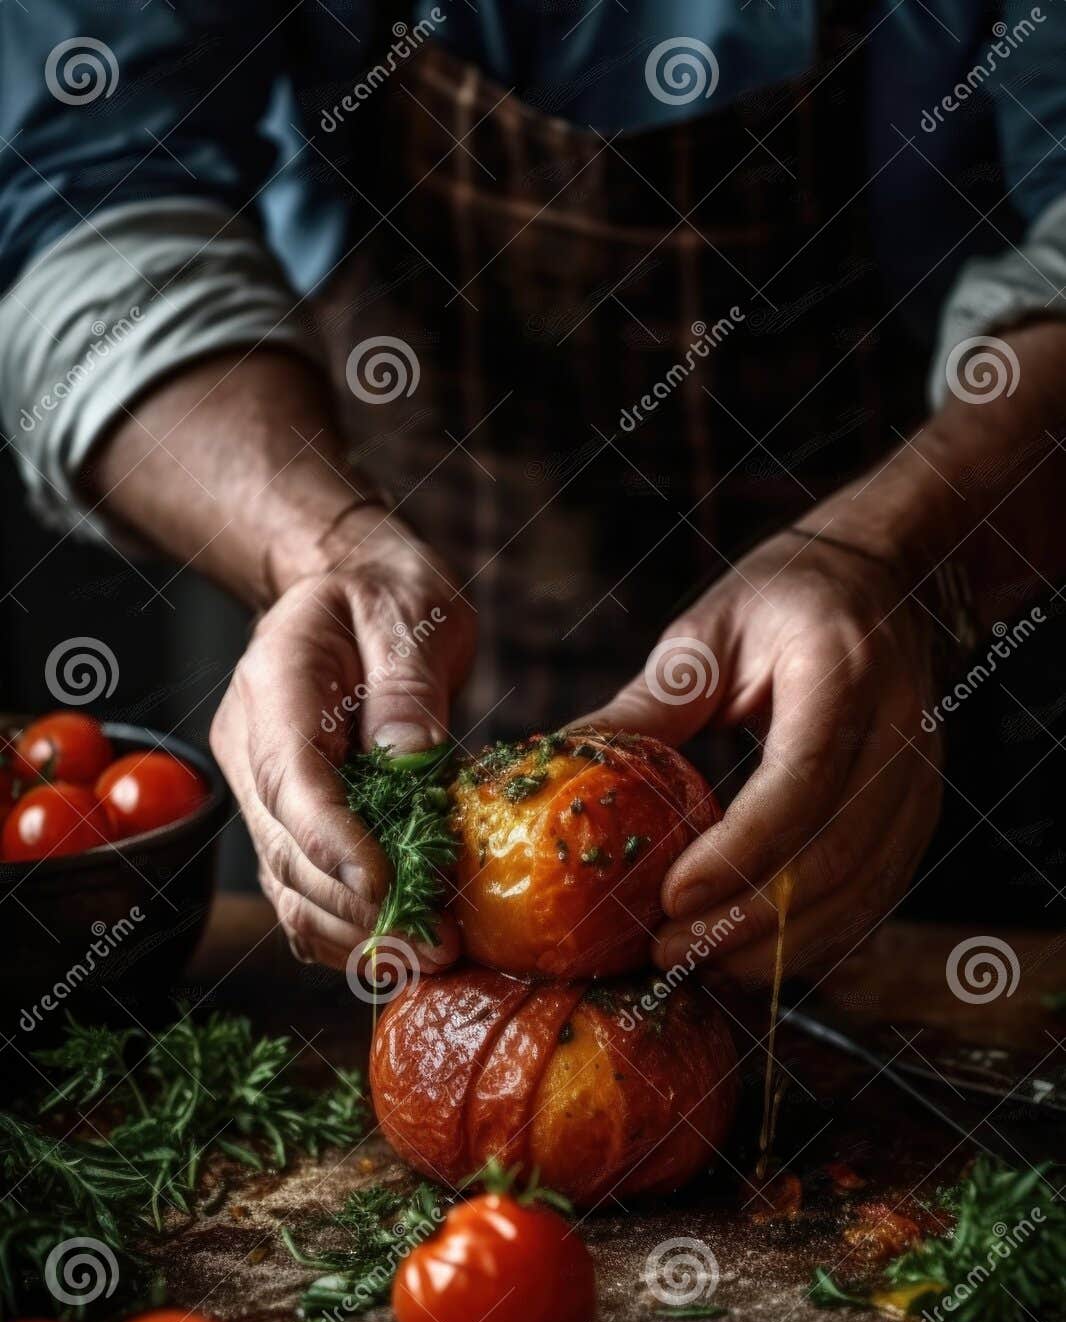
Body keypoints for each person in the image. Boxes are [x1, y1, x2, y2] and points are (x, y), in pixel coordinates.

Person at [1, 4, 1063, 983]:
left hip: (969, 569)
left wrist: (898, 556)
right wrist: (316, 548)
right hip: (398, 511)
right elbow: (89, 193)